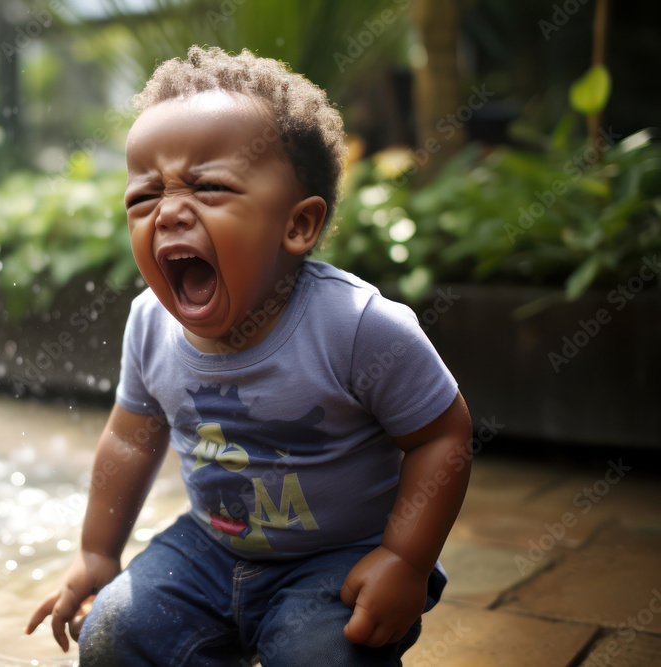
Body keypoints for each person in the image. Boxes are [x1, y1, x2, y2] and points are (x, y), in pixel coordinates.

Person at [26, 45, 473, 666]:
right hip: (210, 549)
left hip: (339, 556)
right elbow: (129, 440)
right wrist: (96, 553)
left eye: (208, 187)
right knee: (114, 634)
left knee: (322, 655)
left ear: (298, 225)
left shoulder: (357, 327)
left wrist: (404, 558)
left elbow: (443, 437)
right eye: (144, 196)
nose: (169, 212)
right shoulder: (150, 324)